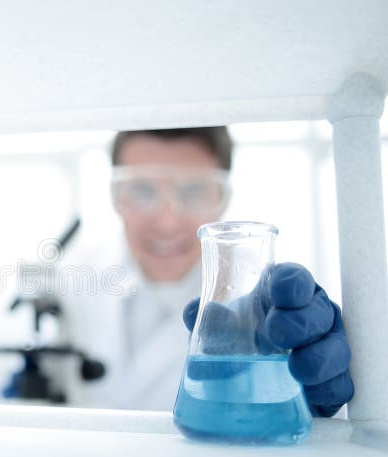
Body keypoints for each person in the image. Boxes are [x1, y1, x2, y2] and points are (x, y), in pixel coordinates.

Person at [28, 127, 353, 417]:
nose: (166, 222)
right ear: (115, 196)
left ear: (223, 198)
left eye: (194, 192)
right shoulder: (72, 277)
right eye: (141, 191)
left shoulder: (268, 305)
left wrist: (299, 383)